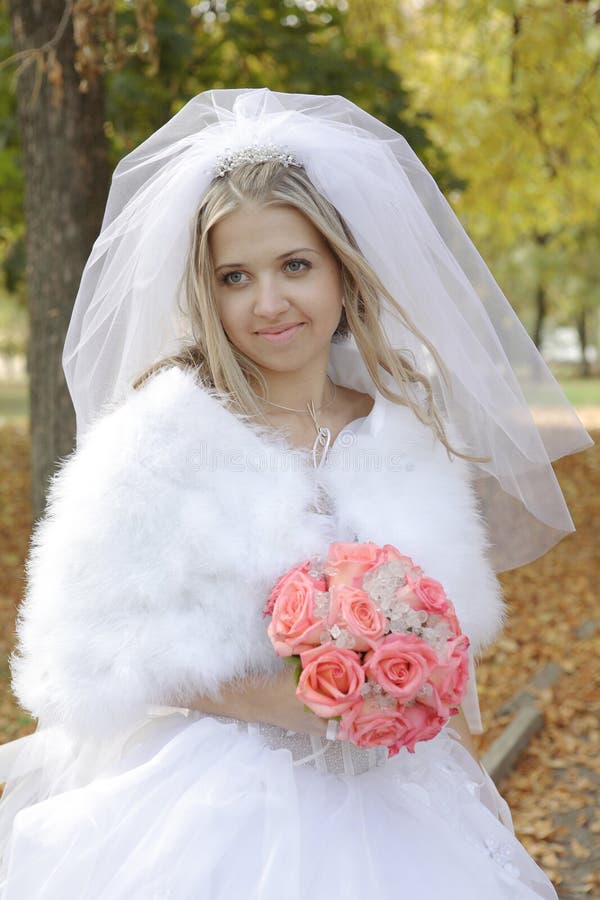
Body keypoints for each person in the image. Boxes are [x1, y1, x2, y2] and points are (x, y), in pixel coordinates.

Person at [0, 88, 592, 899]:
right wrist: (281, 701)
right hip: (214, 809)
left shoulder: (400, 432)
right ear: (207, 294)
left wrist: (411, 699)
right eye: (235, 277)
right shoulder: (165, 437)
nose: (268, 303)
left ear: (343, 274)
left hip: (397, 801)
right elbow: (84, 657)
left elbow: (439, 634)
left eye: (295, 266)